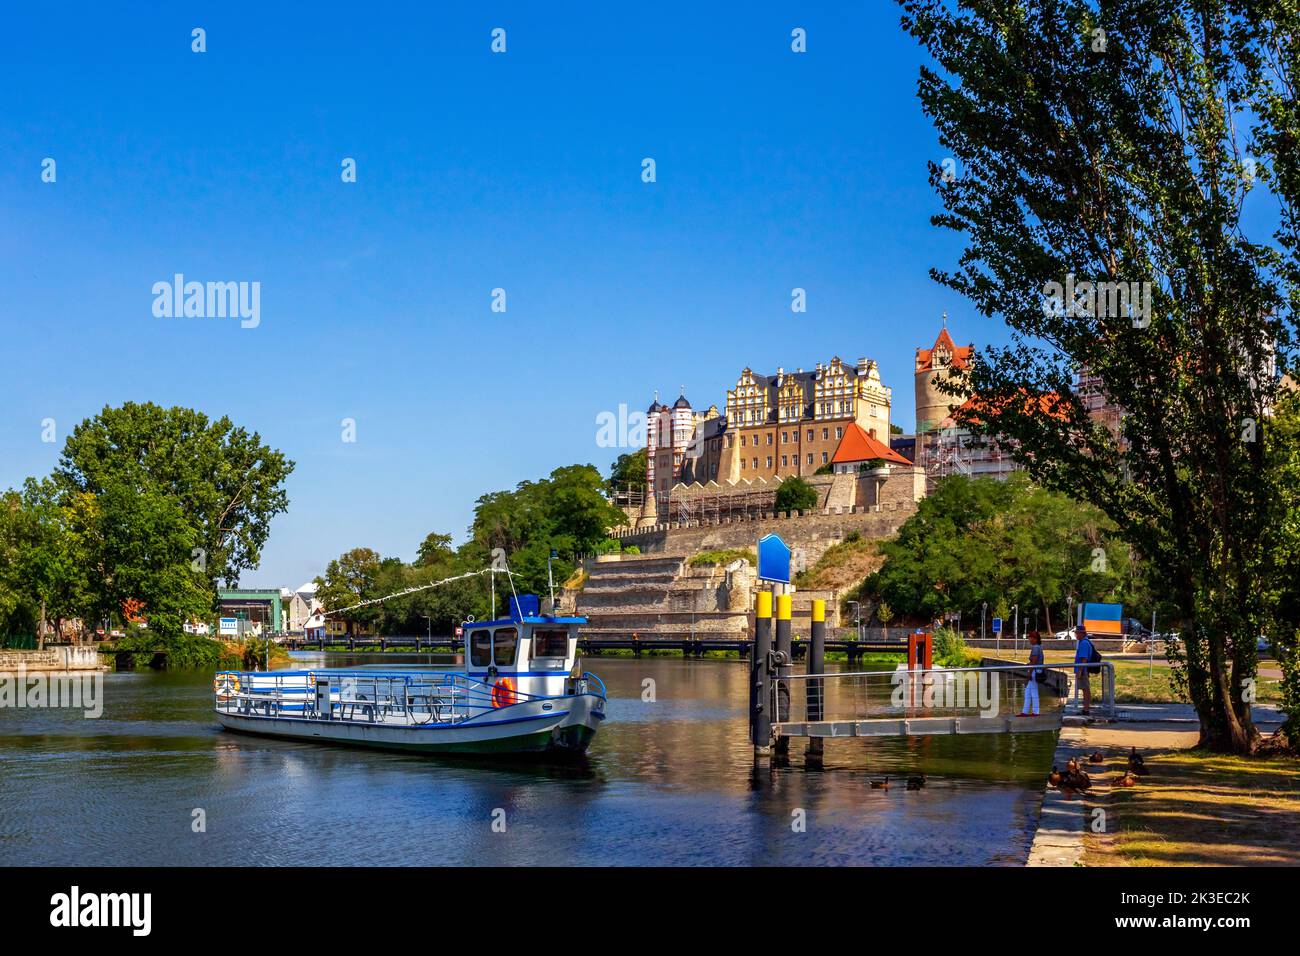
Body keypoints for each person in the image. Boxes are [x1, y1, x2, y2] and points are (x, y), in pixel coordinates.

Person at [1074, 624, 1098, 714]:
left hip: (1083, 671)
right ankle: (1085, 708)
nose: (1076, 635)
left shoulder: (1084, 643)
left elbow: (1083, 659)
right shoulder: (1085, 642)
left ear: (1081, 633)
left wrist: (1080, 671)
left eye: (1077, 633)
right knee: (1085, 689)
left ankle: (1086, 709)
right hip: (1084, 670)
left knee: (1085, 689)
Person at [1019, 631, 1043, 717]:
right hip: (1036, 670)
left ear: (1035, 639)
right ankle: (1025, 712)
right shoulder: (1038, 646)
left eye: (1031, 637)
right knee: (1028, 692)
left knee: (1033, 691)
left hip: (1035, 671)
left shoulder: (1036, 647)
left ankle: (1035, 712)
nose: (1029, 639)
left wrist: (1029, 672)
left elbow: (1034, 661)